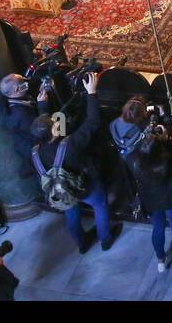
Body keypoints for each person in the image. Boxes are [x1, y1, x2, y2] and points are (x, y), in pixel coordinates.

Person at [31, 71, 121, 254]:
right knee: (100, 205)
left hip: (61, 190)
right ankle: (105, 239)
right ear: (54, 132)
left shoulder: (35, 151)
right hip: (85, 184)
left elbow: (45, 130)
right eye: (55, 125)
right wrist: (92, 93)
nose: (57, 124)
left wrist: (42, 108)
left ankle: (82, 243)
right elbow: (92, 123)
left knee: (71, 213)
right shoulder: (69, 145)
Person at [112, 97, 172, 274]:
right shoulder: (165, 157)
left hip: (151, 197)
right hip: (171, 195)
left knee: (158, 227)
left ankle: (161, 260)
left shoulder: (132, 159)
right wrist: (166, 138)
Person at [0, 73, 50, 179]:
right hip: (40, 148)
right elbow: (41, 130)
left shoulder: (13, 100)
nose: (27, 83)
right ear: (17, 90)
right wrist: (43, 106)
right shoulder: (21, 116)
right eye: (24, 83)